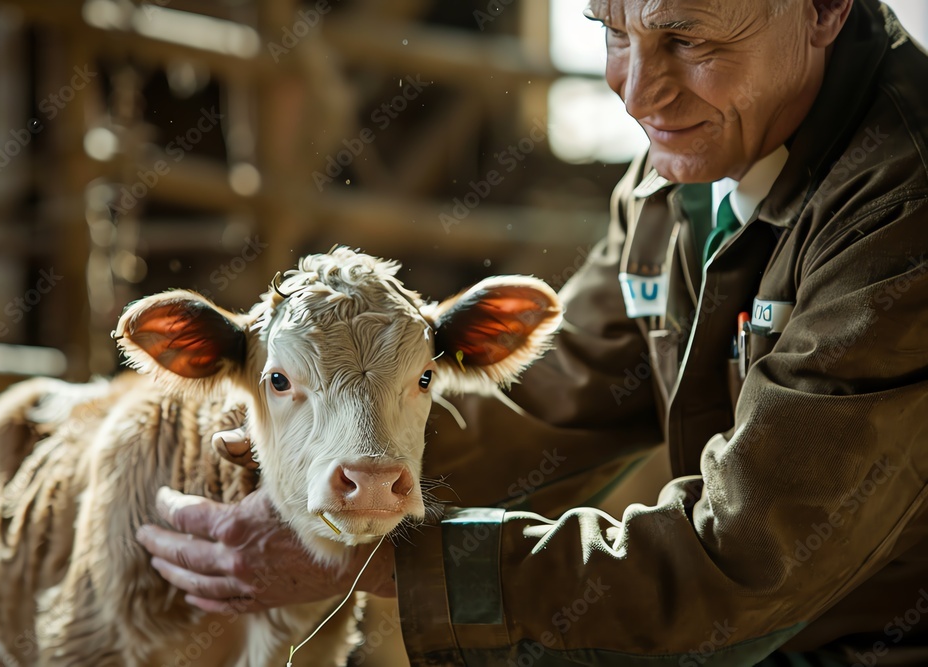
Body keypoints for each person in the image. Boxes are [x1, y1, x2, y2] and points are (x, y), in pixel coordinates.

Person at [136, 0, 928, 664]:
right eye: (613, 31)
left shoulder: (900, 209)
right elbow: (557, 390)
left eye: (688, 40)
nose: (637, 92)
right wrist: (327, 462)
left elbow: (749, 553)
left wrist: (400, 560)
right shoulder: (693, 161)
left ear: (824, 8)